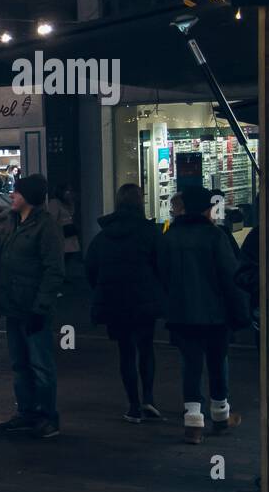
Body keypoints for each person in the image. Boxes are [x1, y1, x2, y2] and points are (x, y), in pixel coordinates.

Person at [158, 186, 250, 443]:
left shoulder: (169, 237)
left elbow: (161, 276)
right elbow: (231, 278)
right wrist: (240, 311)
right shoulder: (216, 236)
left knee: (191, 364)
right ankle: (220, 415)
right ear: (205, 209)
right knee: (218, 361)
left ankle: (193, 422)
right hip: (215, 314)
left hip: (181, 313)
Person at [0, 174, 64, 438]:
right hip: (14, 307)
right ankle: (27, 412)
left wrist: (40, 307)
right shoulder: (15, 222)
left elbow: (53, 270)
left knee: (39, 364)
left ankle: (46, 416)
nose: (12, 195)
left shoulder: (45, 227)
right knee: (20, 363)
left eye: (17, 192)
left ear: (29, 197)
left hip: (33, 309)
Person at [84, 184, 164, 422]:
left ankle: (133, 404)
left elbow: (91, 269)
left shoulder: (103, 235)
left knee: (125, 352)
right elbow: (163, 265)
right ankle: (148, 398)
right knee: (146, 348)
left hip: (115, 301)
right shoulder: (150, 232)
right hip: (144, 301)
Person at [46, 183, 80, 273]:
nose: (70, 193)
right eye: (67, 191)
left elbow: (71, 215)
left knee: (70, 257)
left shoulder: (69, 203)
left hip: (70, 234)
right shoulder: (55, 203)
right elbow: (52, 219)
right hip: (61, 234)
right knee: (62, 258)